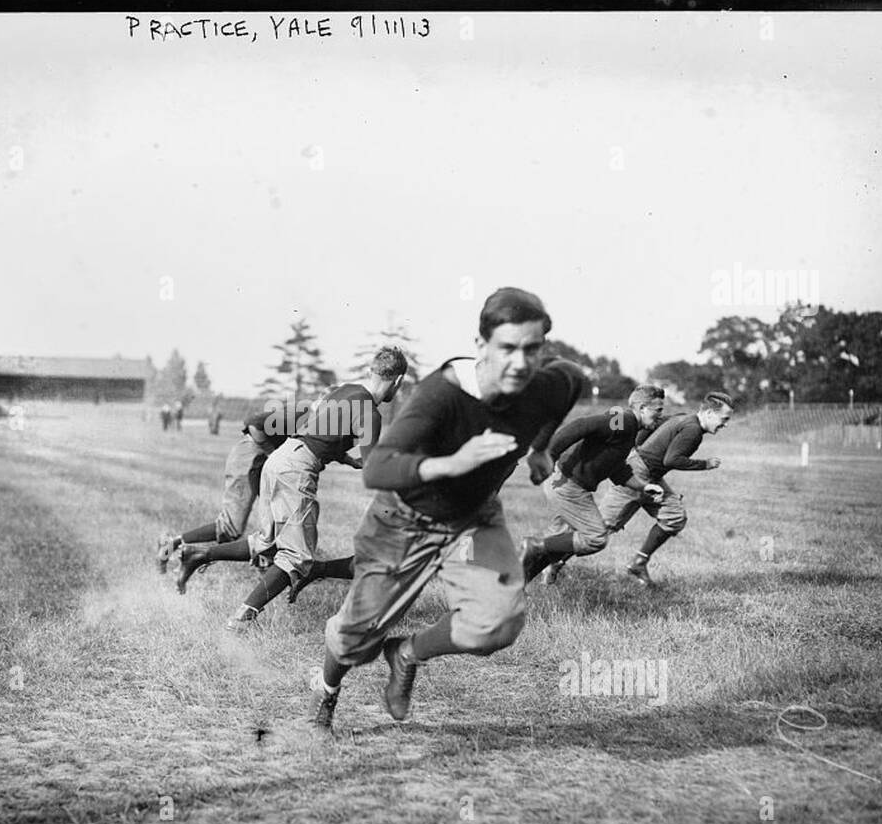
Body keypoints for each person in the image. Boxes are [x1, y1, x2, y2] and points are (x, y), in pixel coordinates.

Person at [308, 288, 585, 732]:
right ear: (481, 346)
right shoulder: (441, 395)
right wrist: (455, 463)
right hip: (402, 522)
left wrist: (540, 449)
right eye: (507, 348)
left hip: (473, 520)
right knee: (352, 644)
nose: (520, 362)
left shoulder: (547, 385)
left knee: (496, 623)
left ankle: (406, 654)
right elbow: (377, 467)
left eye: (532, 349)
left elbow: (570, 380)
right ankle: (326, 697)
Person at [177, 347, 409, 627]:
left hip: (280, 457)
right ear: (397, 381)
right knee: (297, 557)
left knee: (267, 541)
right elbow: (375, 471)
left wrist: (344, 458)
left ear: (372, 371)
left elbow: (319, 429)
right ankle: (241, 618)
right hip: (297, 469)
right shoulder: (371, 414)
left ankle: (199, 554)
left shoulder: (346, 390)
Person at [520, 384, 667, 585]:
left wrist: (643, 486)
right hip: (568, 485)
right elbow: (581, 425)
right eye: (657, 410)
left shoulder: (628, 428)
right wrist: (549, 455)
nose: (661, 415)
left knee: (560, 541)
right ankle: (535, 545)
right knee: (595, 537)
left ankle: (517, 583)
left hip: (569, 484)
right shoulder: (624, 420)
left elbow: (617, 470)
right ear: (642, 408)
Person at [596, 391, 734, 587]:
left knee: (674, 515)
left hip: (651, 476)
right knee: (600, 529)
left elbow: (653, 424)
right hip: (636, 475)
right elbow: (673, 460)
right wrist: (705, 464)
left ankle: (638, 563)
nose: (725, 424)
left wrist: (638, 448)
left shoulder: (683, 417)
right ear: (710, 413)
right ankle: (553, 557)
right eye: (724, 419)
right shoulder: (693, 431)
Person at [156, 405, 300, 573]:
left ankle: (266, 559)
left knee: (278, 513)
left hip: (259, 458)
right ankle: (174, 544)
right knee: (230, 528)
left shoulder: (314, 419)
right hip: (250, 455)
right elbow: (254, 423)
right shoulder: (304, 417)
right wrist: (271, 452)